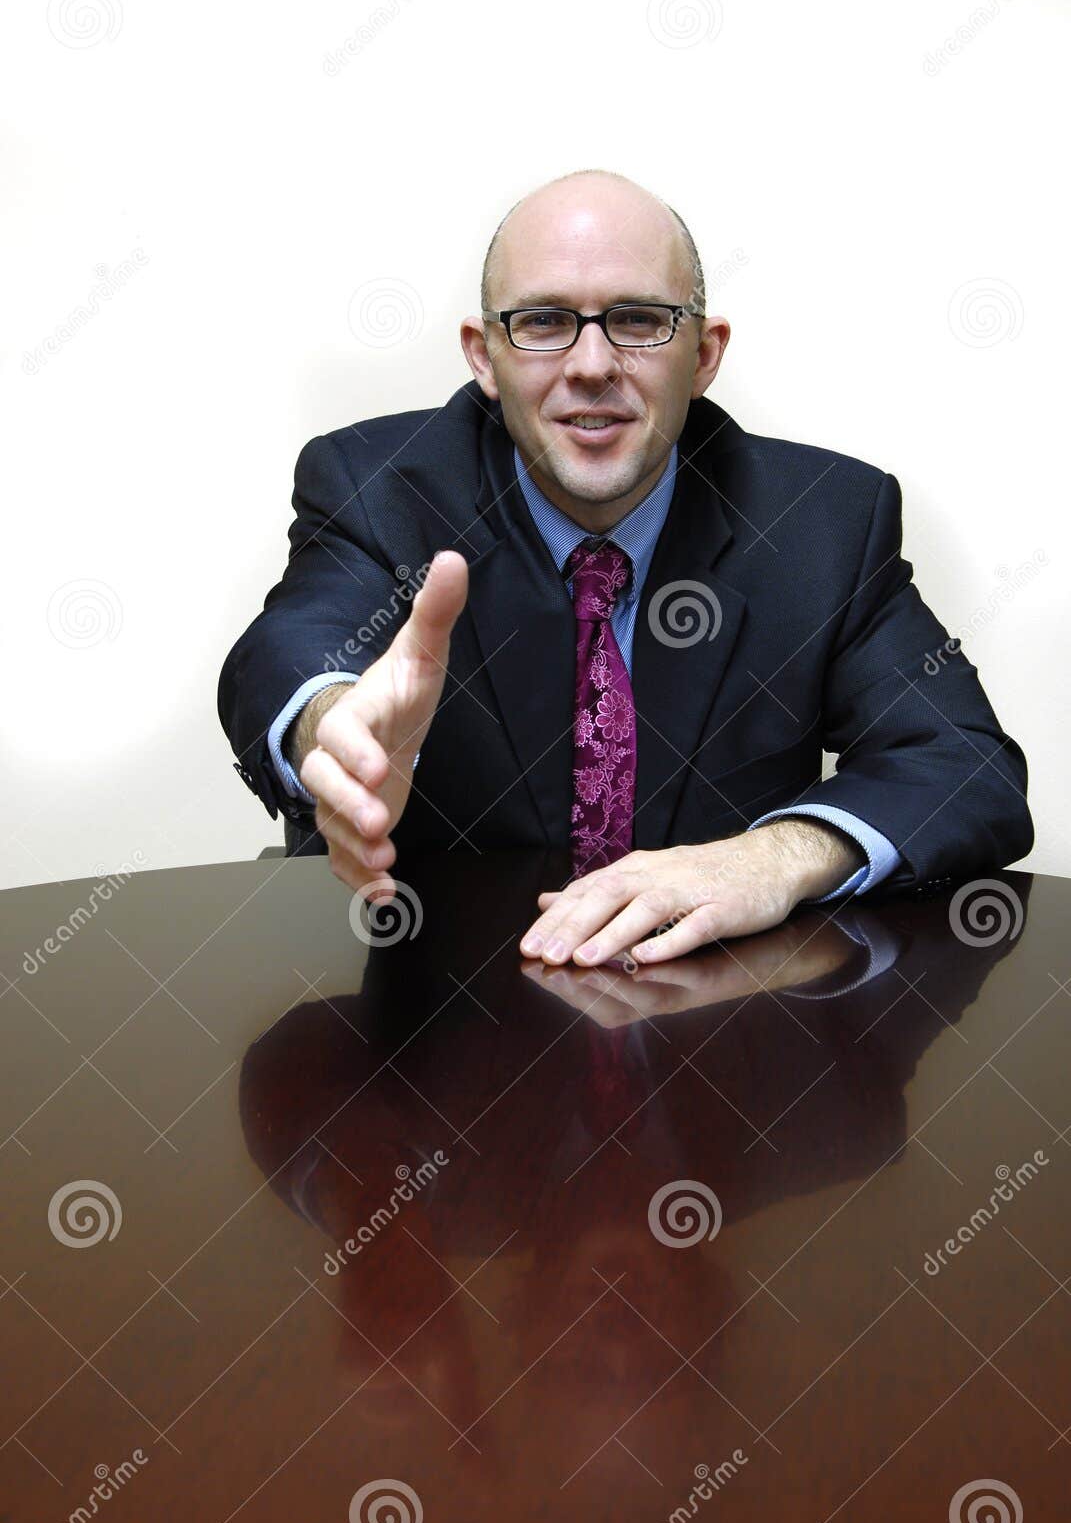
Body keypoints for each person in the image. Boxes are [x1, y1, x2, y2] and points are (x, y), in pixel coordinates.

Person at [218, 169, 1032, 968]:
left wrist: (772, 858)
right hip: (439, 1026)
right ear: (484, 356)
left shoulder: (824, 521)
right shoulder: (376, 487)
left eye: (640, 320)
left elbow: (960, 767)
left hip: (722, 1039)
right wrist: (336, 722)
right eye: (541, 321)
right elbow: (290, 644)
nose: (592, 365)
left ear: (705, 354)